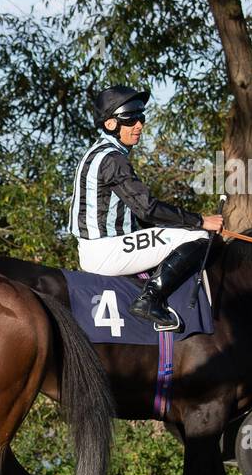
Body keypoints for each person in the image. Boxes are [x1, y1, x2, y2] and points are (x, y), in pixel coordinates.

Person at [68, 86, 223, 326]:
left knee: (186, 232)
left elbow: (142, 215)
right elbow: (147, 209)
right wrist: (201, 220)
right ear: (110, 124)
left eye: (141, 117)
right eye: (130, 119)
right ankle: (151, 299)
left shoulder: (100, 152)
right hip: (107, 251)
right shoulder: (113, 159)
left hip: (99, 247)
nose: (139, 125)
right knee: (200, 236)